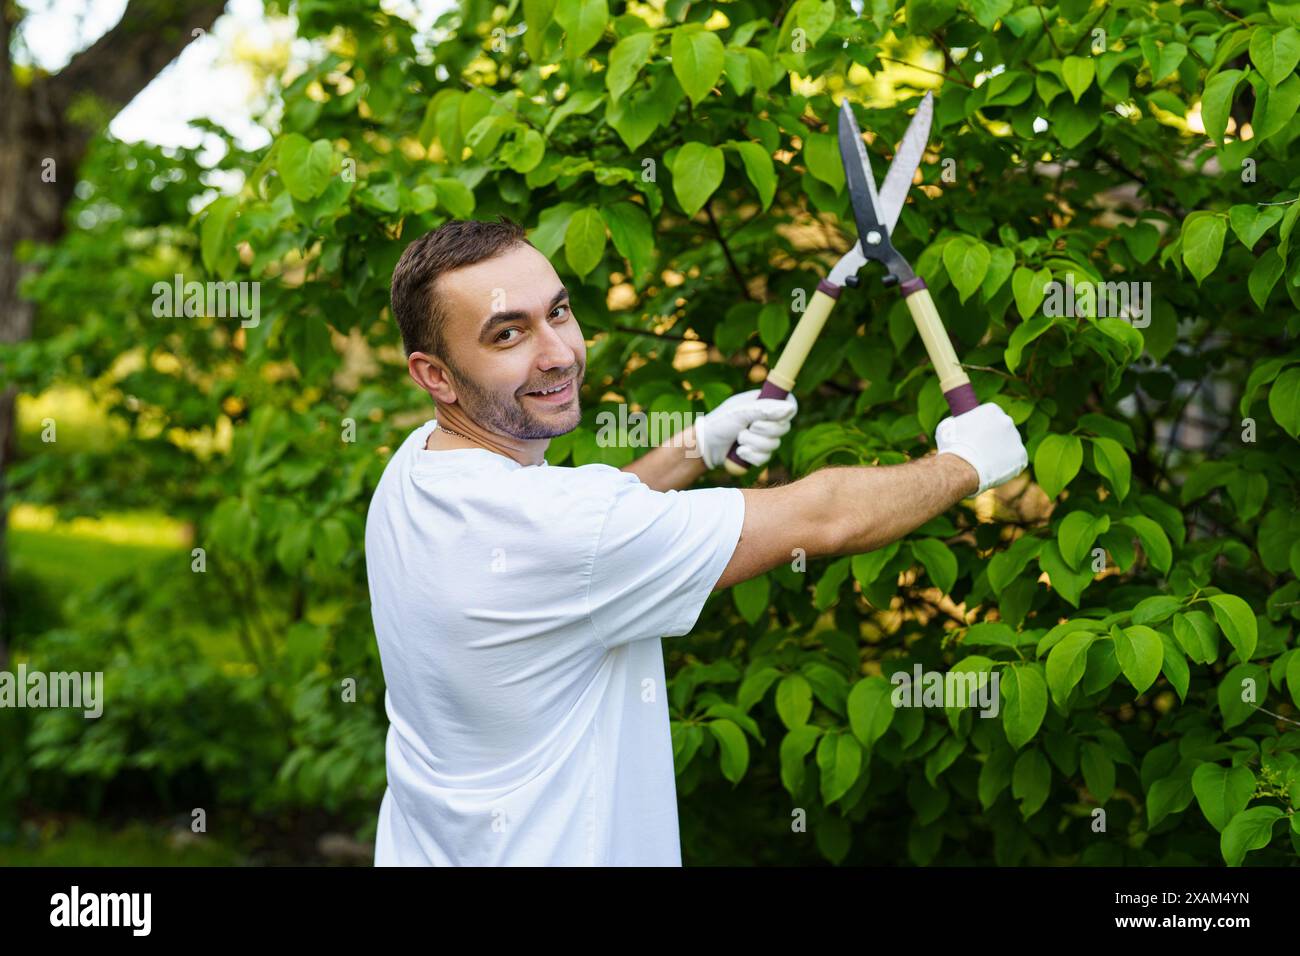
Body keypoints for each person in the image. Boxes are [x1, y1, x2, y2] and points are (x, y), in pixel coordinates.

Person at [366, 216, 1027, 865]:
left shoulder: (417, 468)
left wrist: (699, 443)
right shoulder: (566, 531)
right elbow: (823, 518)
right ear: (437, 375)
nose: (560, 353)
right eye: (508, 334)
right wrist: (966, 464)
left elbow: (586, 538)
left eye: (559, 312)